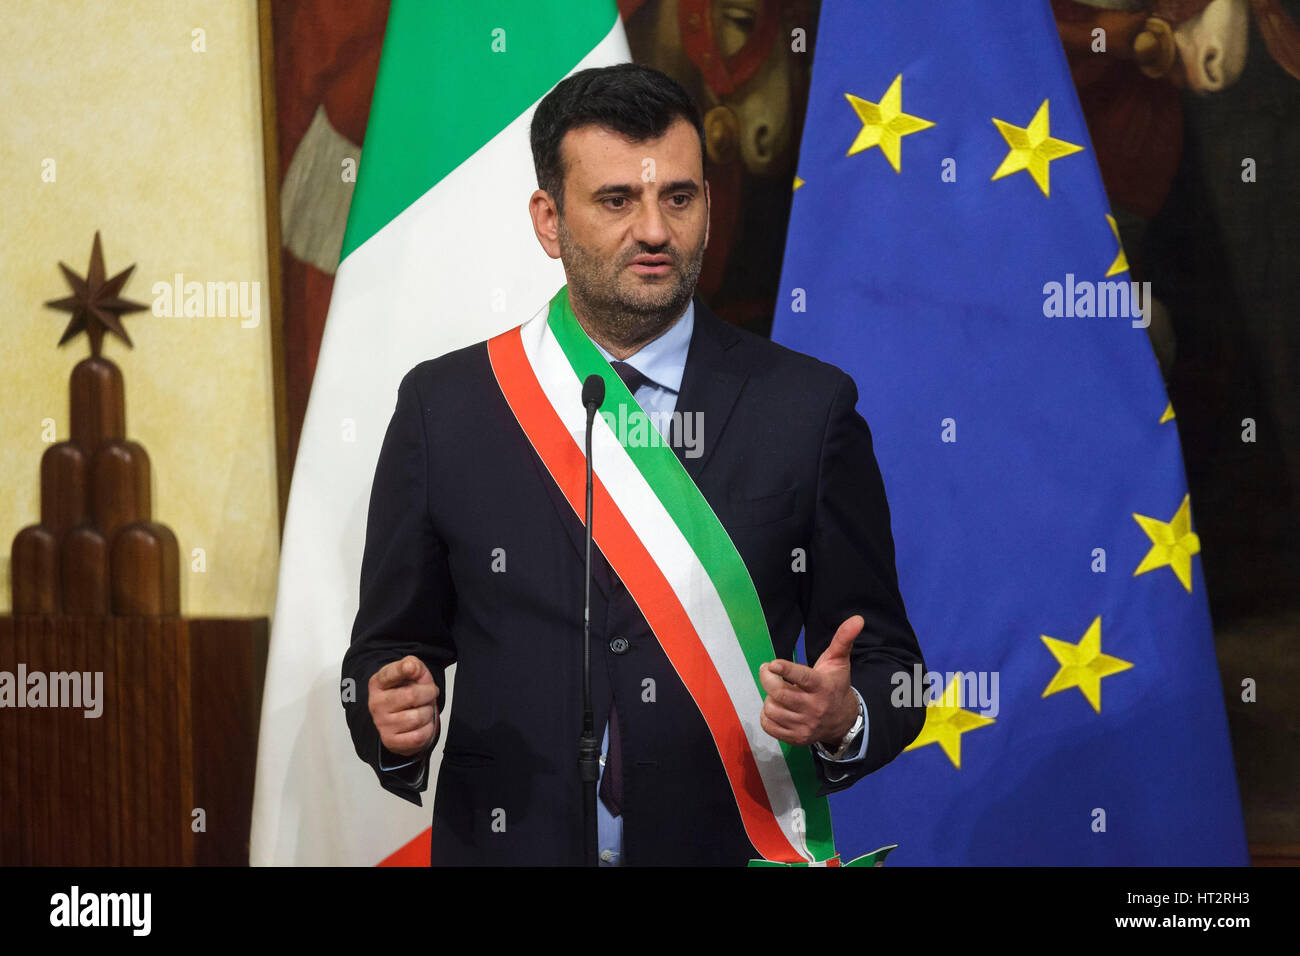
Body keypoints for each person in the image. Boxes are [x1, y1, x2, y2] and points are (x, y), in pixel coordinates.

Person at [341, 63, 924, 866]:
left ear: (708, 207)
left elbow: (894, 670)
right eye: (617, 200)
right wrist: (388, 718)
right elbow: (385, 651)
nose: (655, 231)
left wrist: (846, 716)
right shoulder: (448, 409)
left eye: (678, 198)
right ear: (549, 220)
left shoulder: (808, 410)